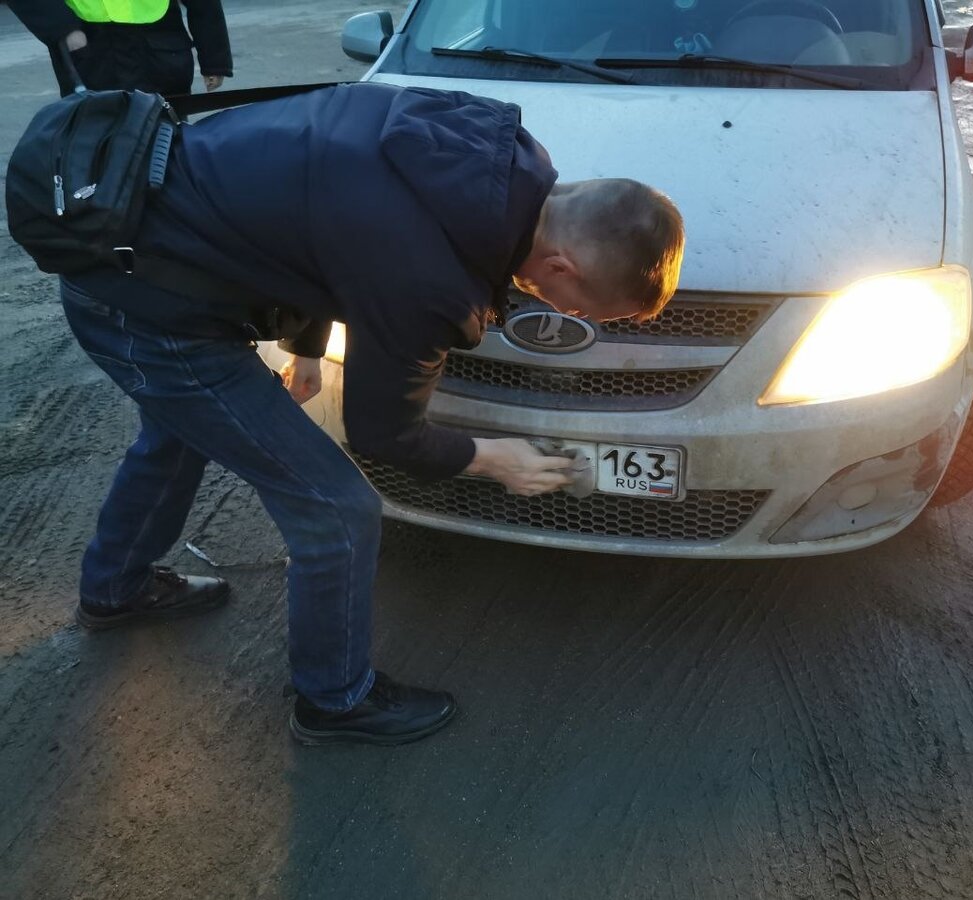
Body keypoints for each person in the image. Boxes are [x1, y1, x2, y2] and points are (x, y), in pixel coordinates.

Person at [57, 81, 686, 747]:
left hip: (143, 251)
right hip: (144, 302)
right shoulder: (429, 277)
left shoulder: (478, 146)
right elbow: (384, 434)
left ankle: (115, 588)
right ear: (561, 263)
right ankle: (334, 701)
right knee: (336, 508)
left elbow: (328, 210)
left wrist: (305, 346)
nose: (567, 318)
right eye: (580, 309)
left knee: (180, 431)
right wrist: (495, 457)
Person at [6, 0, 232, 96]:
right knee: (98, 149)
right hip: (91, 47)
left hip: (161, 44)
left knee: (166, 148)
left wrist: (214, 60)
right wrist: (63, 29)